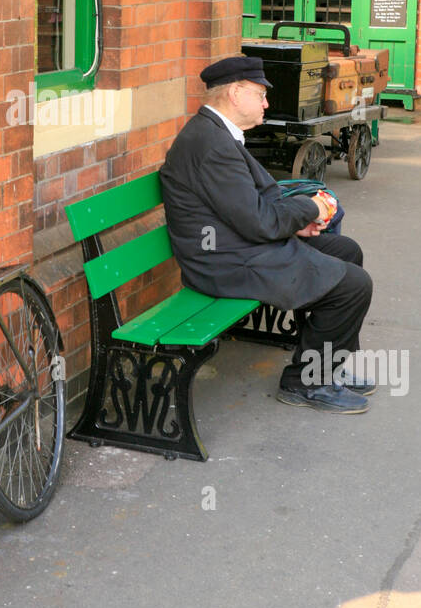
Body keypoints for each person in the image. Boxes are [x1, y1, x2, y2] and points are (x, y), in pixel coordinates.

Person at [159, 55, 374, 414]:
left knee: (347, 252)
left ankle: (325, 366)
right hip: (225, 262)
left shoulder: (216, 134)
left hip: (237, 245)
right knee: (354, 285)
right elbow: (259, 221)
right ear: (235, 93)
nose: (266, 103)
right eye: (260, 94)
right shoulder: (211, 145)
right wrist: (312, 209)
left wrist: (296, 222)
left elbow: (252, 209)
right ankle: (306, 382)